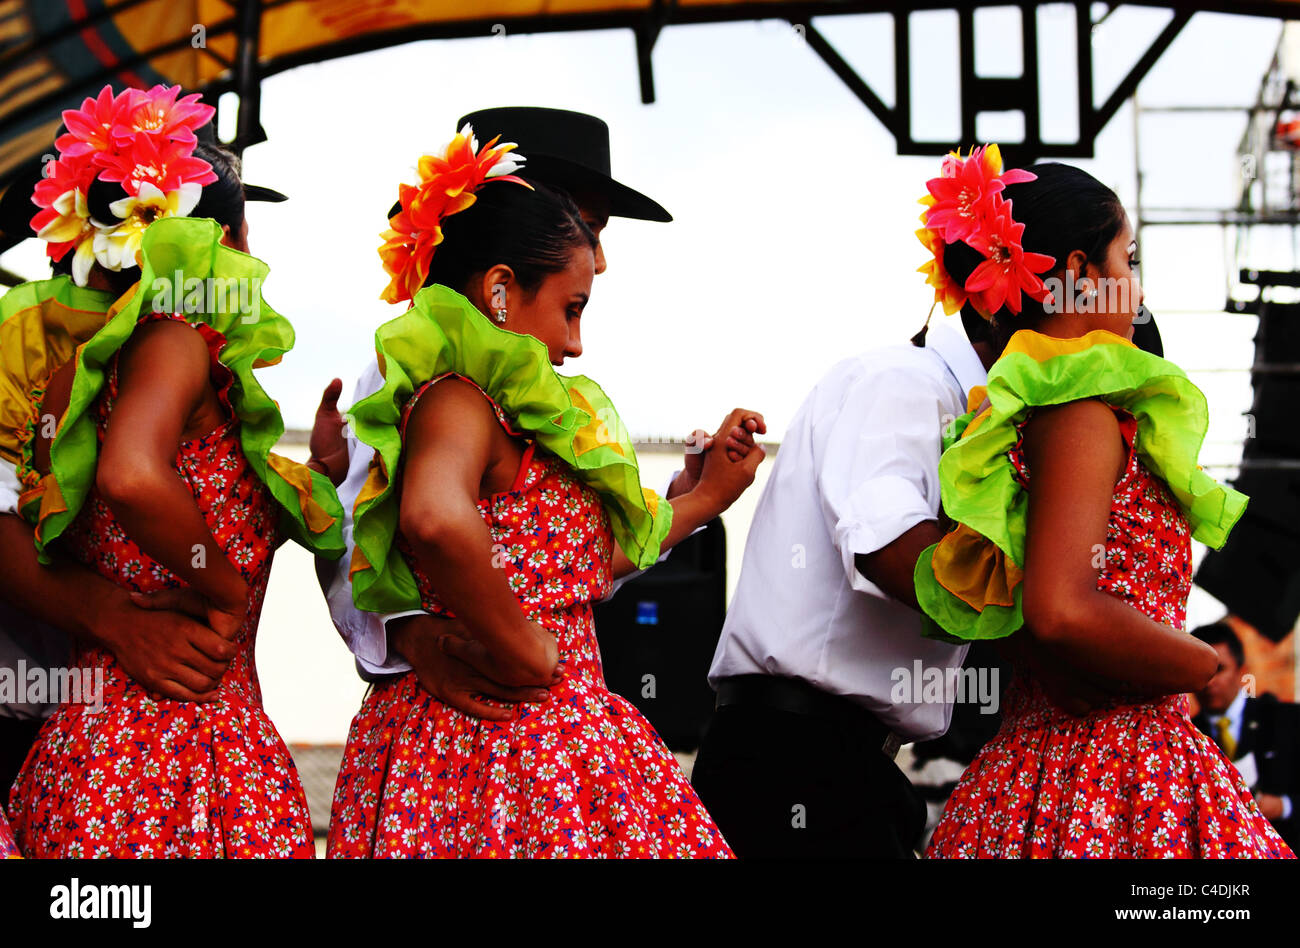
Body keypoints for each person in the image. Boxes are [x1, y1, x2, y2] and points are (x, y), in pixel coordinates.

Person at [326, 126, 764, 857]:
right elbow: (432, 517)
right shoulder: (452, 394)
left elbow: (567, 567)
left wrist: (703, 499)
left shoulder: (518, 411)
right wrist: (520, 644)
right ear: (501, 287)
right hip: (486, 748)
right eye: (572, 306)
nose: (578, 341)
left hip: (546, 744)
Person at [912, 147, 1292, 858]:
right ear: (1082, 275)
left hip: (1074, 766)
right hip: (1107, 772)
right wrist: (1198, 663)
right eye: (1129, 258)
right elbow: (1061, 608)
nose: (1137, 287)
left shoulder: (1043, 412)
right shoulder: (1080, 412)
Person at [2, 84, 343, 857]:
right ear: (214, 241)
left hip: (90, 756)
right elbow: (130, 477)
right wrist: (223, 588)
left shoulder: (77, 377)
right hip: (182, 761)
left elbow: (150, 507)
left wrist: (314, 471)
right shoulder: (175, 340)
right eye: (245, 233)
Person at [1191, 622, 1300, 851]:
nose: (1210, 682)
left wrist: (1284, 806)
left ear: (1241, 670)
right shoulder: (1185, 736)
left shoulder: (1286, 719)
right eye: (1200, 672)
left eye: (1219, 669)